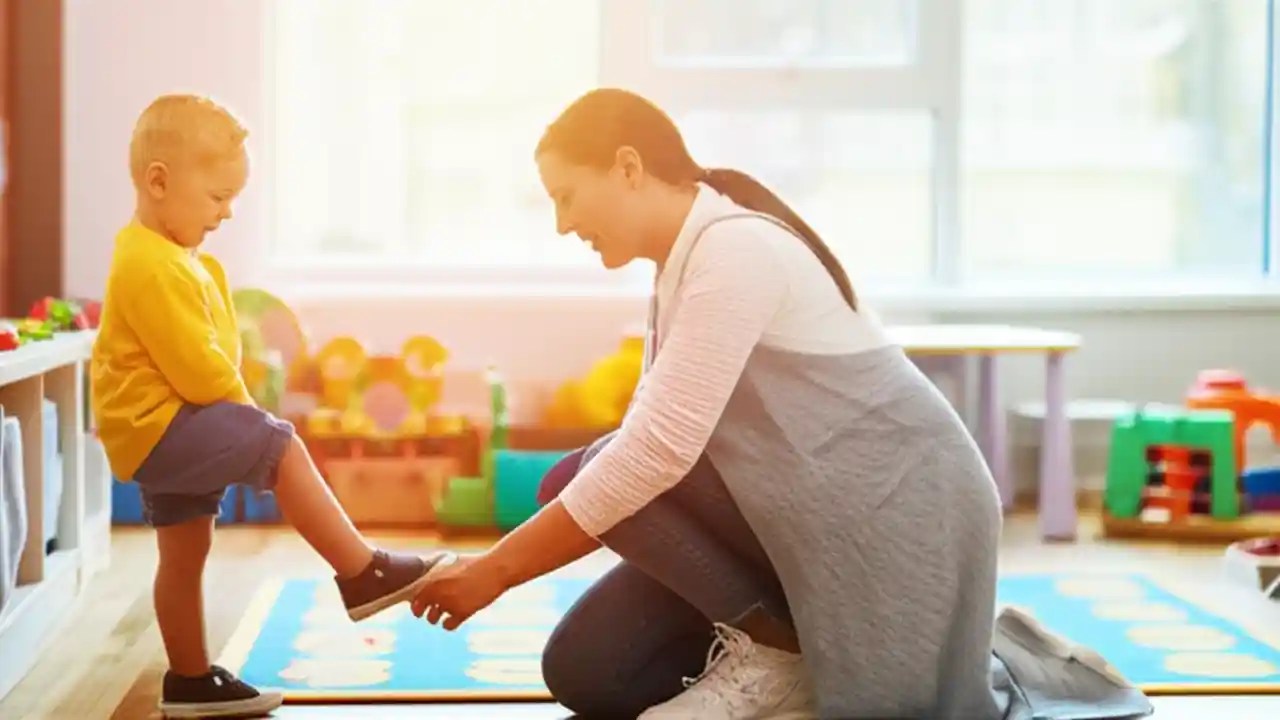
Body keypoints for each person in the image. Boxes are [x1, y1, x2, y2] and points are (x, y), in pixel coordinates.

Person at [411, 88, 1152, 720]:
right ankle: (773, 642)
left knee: (589, 473)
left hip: (898, 517)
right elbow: (656, 441)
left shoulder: (736, 251)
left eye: (566, 196)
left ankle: (777, 650)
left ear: (628, 168)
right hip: (806, 508)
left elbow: (654, 454)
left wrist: (496, 571)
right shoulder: (683, 262)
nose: (563, 224)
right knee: (585, 671)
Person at [90, 94, 447, 719]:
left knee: (183, 555)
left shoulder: (169, 256)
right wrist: (252, 424)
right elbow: (201, 373)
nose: (227, 212)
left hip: (148, 431)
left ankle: (189, 679)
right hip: (163, 423)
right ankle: (362, 571)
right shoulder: (152, 266)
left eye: (233, 199)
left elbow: (208, 341)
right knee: (279, 441)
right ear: (159, 182)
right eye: (217, 197)